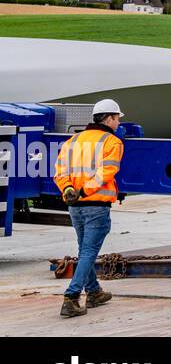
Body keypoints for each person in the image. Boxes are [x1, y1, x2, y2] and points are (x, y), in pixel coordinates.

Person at [53, 99, 125, 318]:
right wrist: (83, 191)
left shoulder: (72, 141)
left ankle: (94, 292)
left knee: (84, 249)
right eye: (117, 119)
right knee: (88, 252)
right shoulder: (112, 142)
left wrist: (68, 191)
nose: (119, 124)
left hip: (75, 207)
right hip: (96, 205)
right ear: (109, 118)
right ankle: (71, 297)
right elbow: (106, 173)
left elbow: (60, 172)